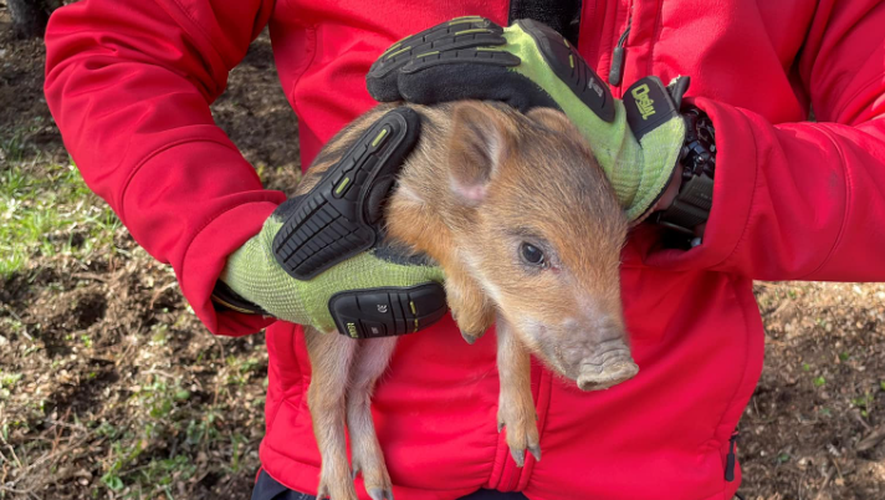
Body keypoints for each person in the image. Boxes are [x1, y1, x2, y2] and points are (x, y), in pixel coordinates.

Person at [42, 1, 885, 499]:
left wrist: (691, 167)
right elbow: (113, 44)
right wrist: (225, 239)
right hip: (355, 472)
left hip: (655, 467)